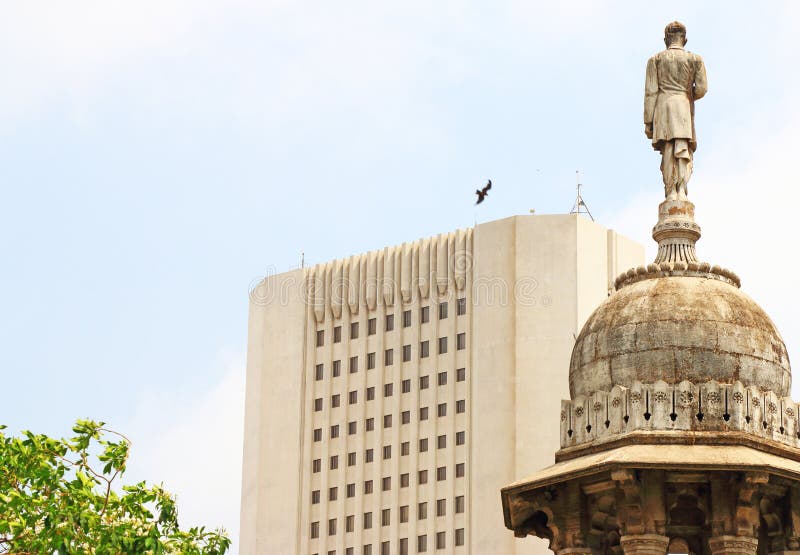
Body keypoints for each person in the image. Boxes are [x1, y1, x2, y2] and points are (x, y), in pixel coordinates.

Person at [644, 21, 708, 200]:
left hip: (663, 107)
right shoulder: (694, 59)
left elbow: (651, 92)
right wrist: (687, 95)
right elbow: (702, 88)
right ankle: (681, 189)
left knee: (669, 149)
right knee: (681, 148)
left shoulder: (655, 60)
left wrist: (649, 121)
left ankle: (671, 191)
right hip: (683, 106)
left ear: (666, 40)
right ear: (684, 40)